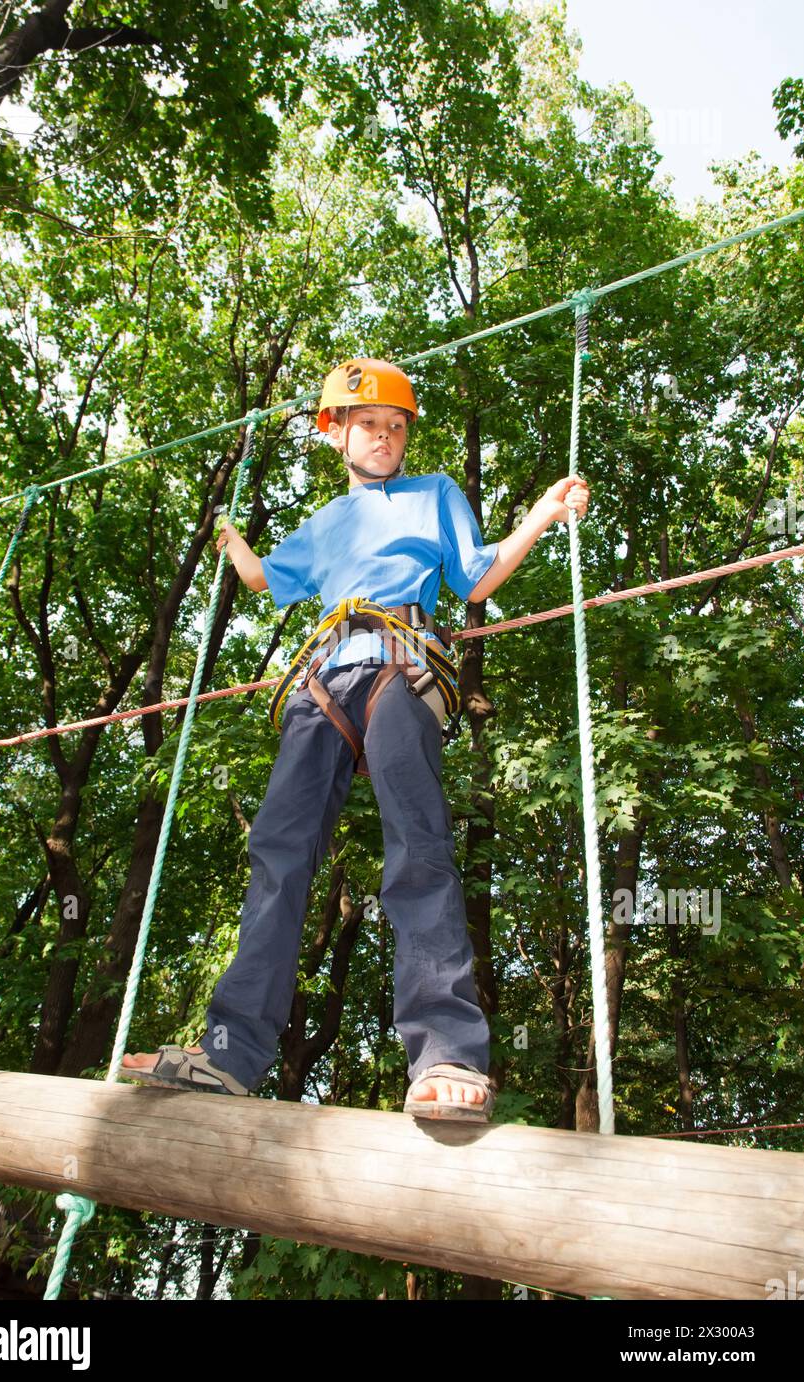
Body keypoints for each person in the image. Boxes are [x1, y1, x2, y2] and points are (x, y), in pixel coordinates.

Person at [120, 358, 590, 1121]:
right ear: (336, 433)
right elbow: (269, 580)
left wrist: (540, 512)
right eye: (368, 423)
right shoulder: (324, 524)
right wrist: (233, 544)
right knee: (278, 854)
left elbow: (475, 579)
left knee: (419, 842)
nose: (385, 436)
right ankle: (231, 1053)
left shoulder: (435, 494)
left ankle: (445, 1051)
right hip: (321, 685)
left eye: (396, 426)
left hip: (401, 667)